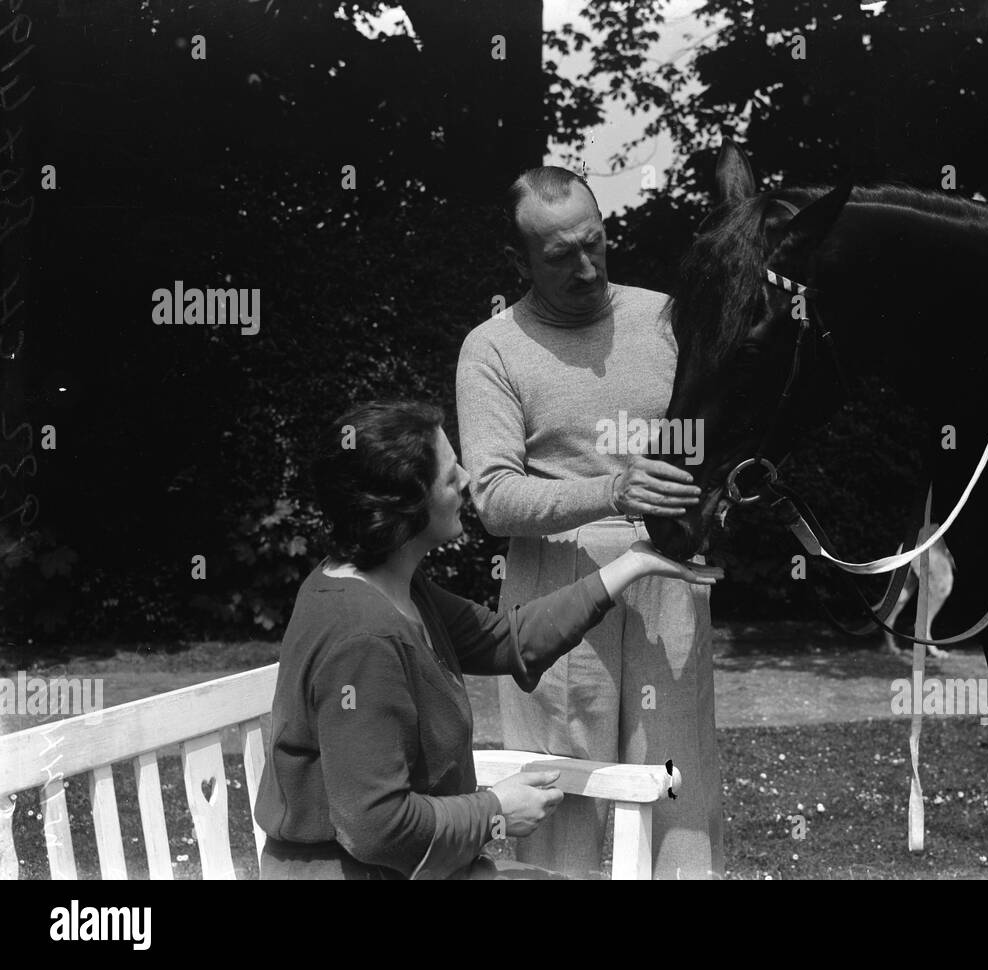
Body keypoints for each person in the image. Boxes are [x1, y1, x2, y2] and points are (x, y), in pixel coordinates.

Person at [252, 399, 719, 879]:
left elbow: (506, 638)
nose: (468, 480)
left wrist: (632, 564)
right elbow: (376, 826)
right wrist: (495, 811)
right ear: (405, 505)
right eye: (450, 475)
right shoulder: (363, 637)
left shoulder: (394, 585)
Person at [456, 166, 725, 879]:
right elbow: (492, 498)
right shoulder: (493, 347)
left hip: (668, 590)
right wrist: (614, 489)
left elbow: (716, 445)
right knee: (556, 813)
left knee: (679, 797)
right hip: (557, 597)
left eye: (595, 243)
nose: (586, 267)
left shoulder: (668, 320)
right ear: (520, 262)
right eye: (559, 257)